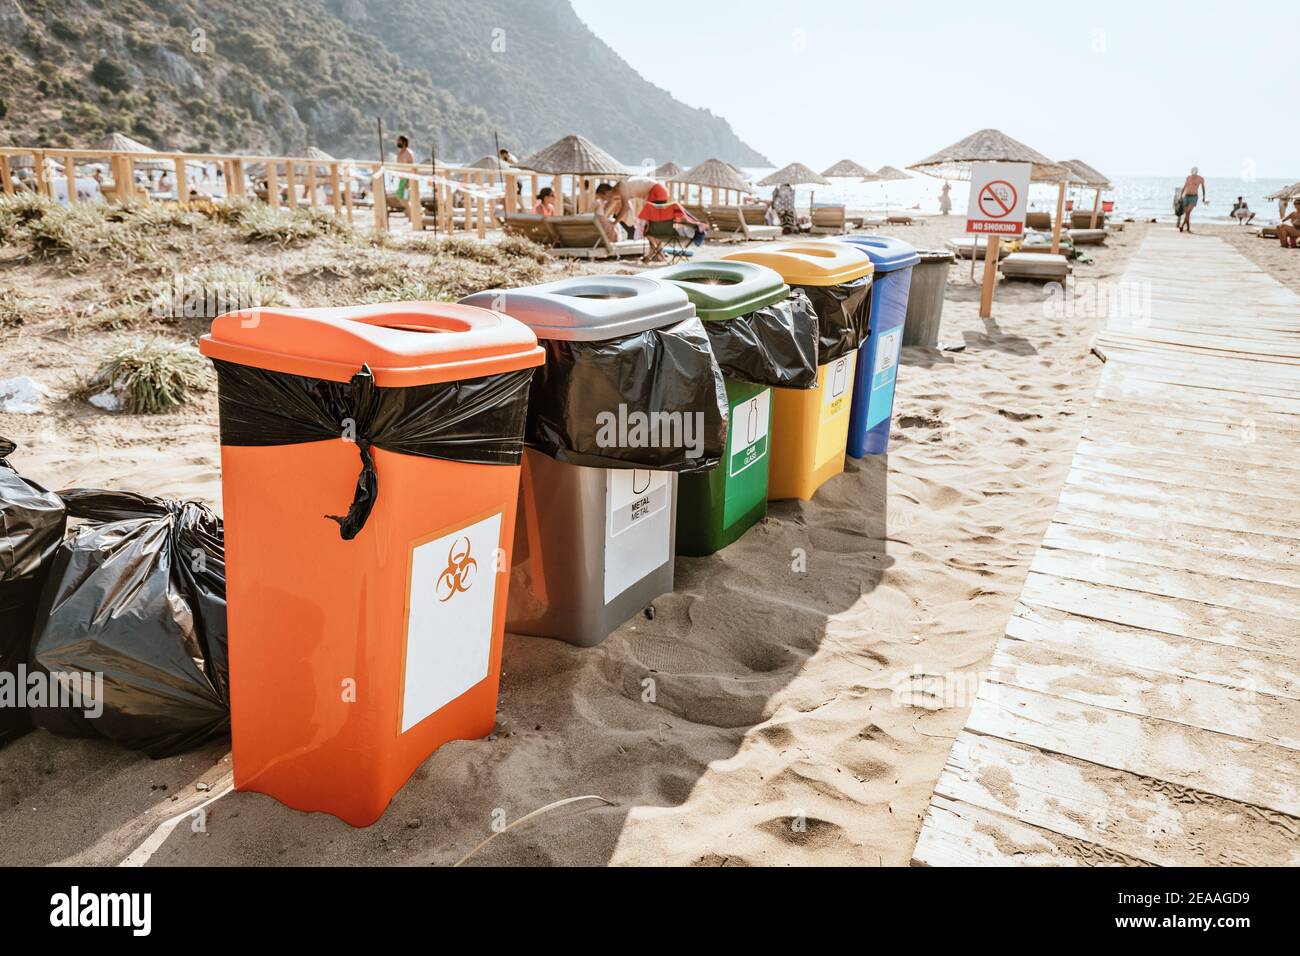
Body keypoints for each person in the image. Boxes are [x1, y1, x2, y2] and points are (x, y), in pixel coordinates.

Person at [1177, 166, 1207, 232]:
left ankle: (1182, 226)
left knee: (1188, 212)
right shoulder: (1188, 178)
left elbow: (1203, 188)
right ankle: (1188, 228)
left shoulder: (1200, 179)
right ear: (1191, 171)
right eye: (1192, 171)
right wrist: (1180, 196)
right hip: (1186, 196)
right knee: (1187, 214)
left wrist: (1204, 197)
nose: (1193, 172)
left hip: (1194, 197)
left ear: (1197, 172)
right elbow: (1184, 187)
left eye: (1195, 171)